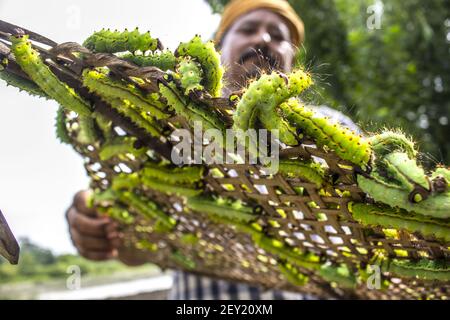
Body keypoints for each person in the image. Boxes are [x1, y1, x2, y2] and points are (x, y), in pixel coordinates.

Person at [66, 0, 358, 300]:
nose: (263, 39)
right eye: (247, 29)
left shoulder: (331, 129)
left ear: (294, 60)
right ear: (218, 48)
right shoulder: (168, 131)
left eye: (279, 35)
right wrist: (99, 225)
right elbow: (135, 249)